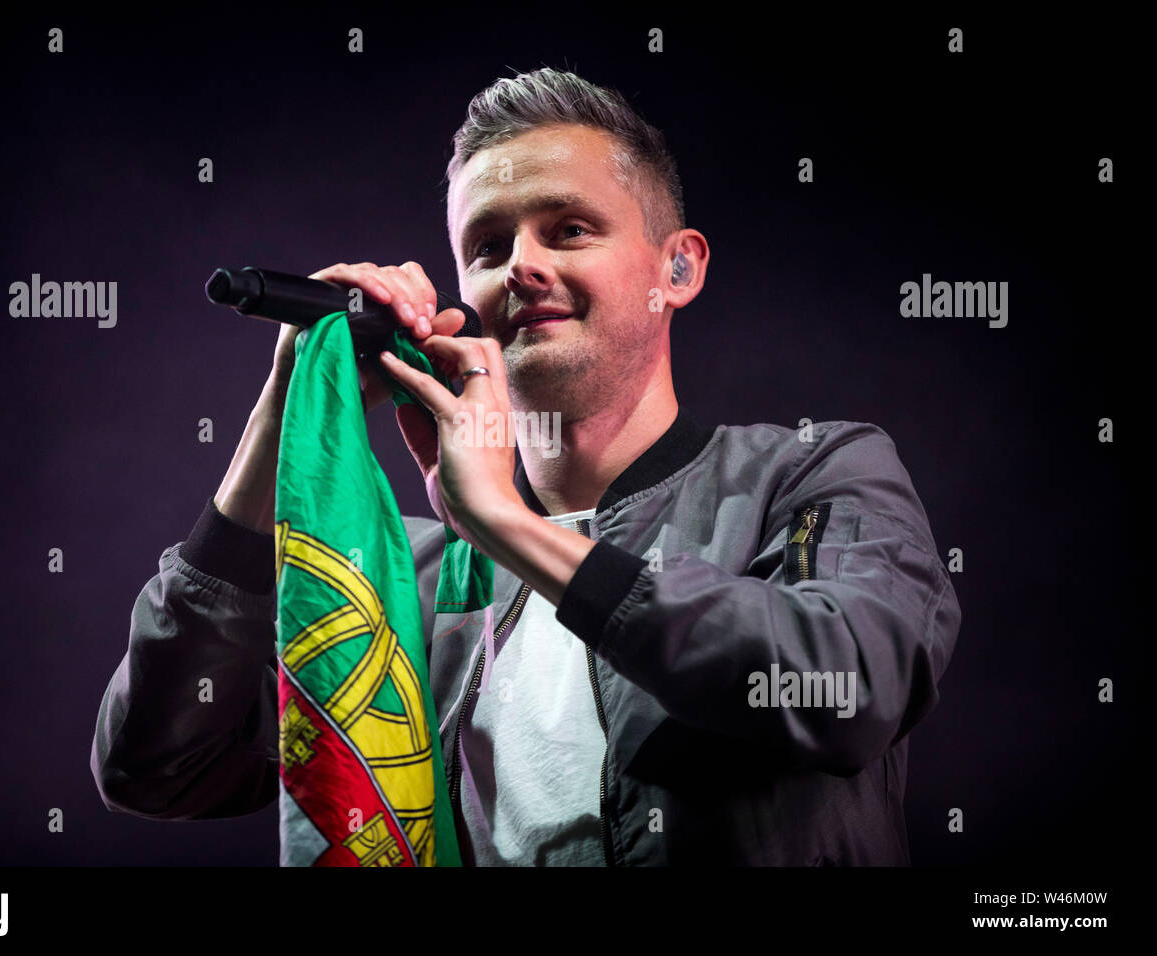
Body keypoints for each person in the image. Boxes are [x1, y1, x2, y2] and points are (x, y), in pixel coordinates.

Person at [91, 67, 961, 866]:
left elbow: (844, 687)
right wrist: (284, 413)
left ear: (679, 266)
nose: (524, 267)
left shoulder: (814, 473)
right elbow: (158, 765)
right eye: (488, 247)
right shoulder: (411, 582)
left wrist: (506, 526)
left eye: (570, 229)